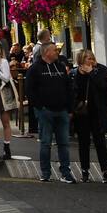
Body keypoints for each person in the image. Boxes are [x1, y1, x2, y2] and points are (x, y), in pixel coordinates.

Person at [25, 42, 77, 182]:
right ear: (46, 52)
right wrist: (40, 107)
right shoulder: (35, 69)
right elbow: (29, 90)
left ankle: (66, 173)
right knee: (45, 143)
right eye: (55, 50)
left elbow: (68, 87)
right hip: (45, 111)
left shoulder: (60, 66)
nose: (57, 52)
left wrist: (69, 108)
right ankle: (45, 173)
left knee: (64, 144)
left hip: (62, 110)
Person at [71, 49, 107, 183]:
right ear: (81, 61)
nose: (90, 61)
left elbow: (104, 88)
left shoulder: (101, 71)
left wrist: (91, 74)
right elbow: (72, 92)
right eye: (87, 58)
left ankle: (105, 172)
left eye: (91, 58)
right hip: (82, 113)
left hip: (97, 112)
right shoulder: (75, 73)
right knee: (83, 142)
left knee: (100, 141)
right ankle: (84, 171)